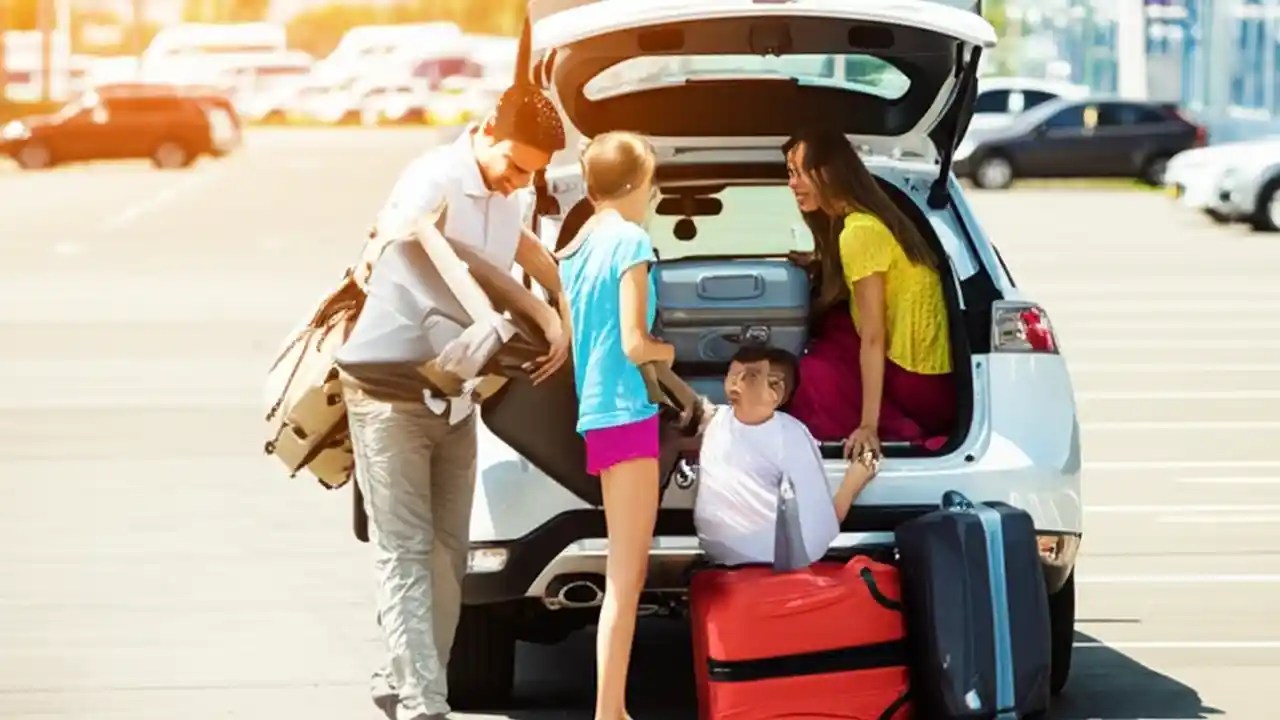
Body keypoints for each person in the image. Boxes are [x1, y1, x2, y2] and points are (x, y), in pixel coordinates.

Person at [341, 84, 569, 720]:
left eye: (532, 173)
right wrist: (536, 312)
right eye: (515, 165)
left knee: (449, 555)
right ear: (487, 130)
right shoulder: (433, 178)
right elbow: (429, 249)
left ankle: (404, 676)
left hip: (456, 398)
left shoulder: (510, 191)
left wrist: (564, 303)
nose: (519, 182)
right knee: (406, 550)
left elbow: (520, 245)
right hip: (390, 394)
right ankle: (423, 702)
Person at [555, 131, 672, 720]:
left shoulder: (577, 247)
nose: (653, 193)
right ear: (633, 184)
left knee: (622, 572)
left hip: (596, 413)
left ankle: (613, 710)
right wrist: (668, 354)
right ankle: (610, 711)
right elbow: (633, 342)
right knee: (627, 576)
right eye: (651, 181)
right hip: (629, 412)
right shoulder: (631, 241)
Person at [781, 127, 957, 458]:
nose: (792, 184)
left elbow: (874, 336)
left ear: (829, 172)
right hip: (934, 380)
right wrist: (817, 261)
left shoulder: (859, 233)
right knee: (837, 326)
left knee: (814, 375)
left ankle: (891, 424)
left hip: (917, 387)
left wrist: (868, 426)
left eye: (800, 173)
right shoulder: (871, 221)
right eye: (790, 173)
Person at [693, 345, 880, 568]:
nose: (736, 384)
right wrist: (853, 482)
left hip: (719, 559)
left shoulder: (714, 421)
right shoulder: (790, 435)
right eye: (733, 376)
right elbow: (817, 534)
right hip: (773, 566)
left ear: (777, 390)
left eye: (748, 377)